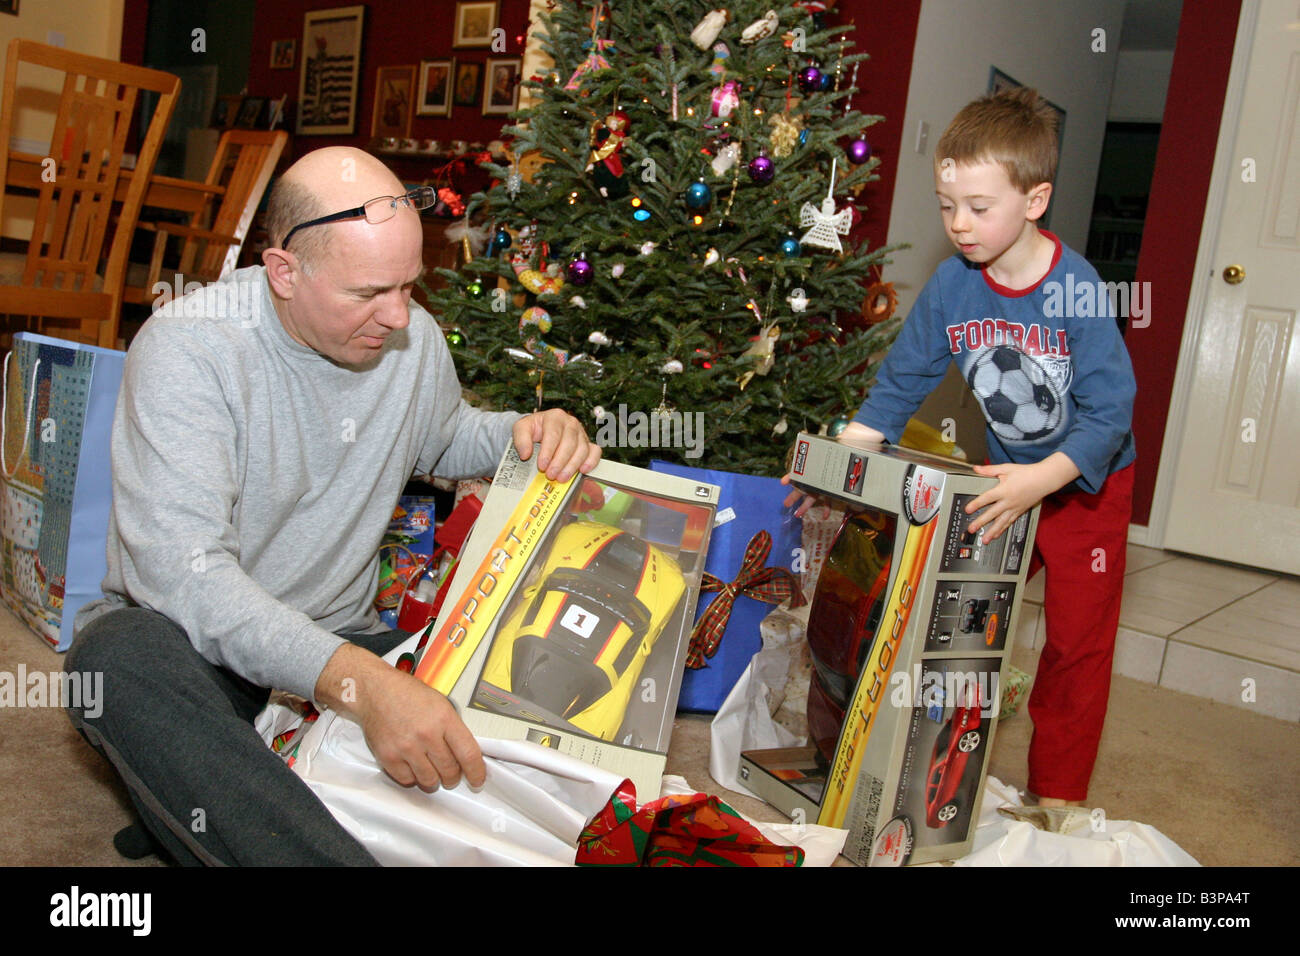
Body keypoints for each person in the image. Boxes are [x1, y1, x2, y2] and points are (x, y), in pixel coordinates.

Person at [64, 146, 602, 865]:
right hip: (207, 660)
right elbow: (184, 578)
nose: (401, 316)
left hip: (348, 640)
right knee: (113, 661)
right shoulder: (188, 350)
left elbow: (440, 441)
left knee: (513, 675)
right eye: (370, 294)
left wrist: (526, 434)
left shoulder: (409, 341)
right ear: (284, 271)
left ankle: (236, 804)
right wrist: (361, 686)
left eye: (410, 286)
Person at [785, 88, 1136, 808]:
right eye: (948, 206)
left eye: (979, 207)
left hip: (1086, 486)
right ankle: (918, 770)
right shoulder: (952, 287)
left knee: (1076, 646)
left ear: (1035, 200)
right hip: (998, 478)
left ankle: (1057, 798)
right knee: (950, 624)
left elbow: (1112, 412)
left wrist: (1045, 480)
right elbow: (899, 383)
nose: (960, 225)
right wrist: (841, 463)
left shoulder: (1076, 288)